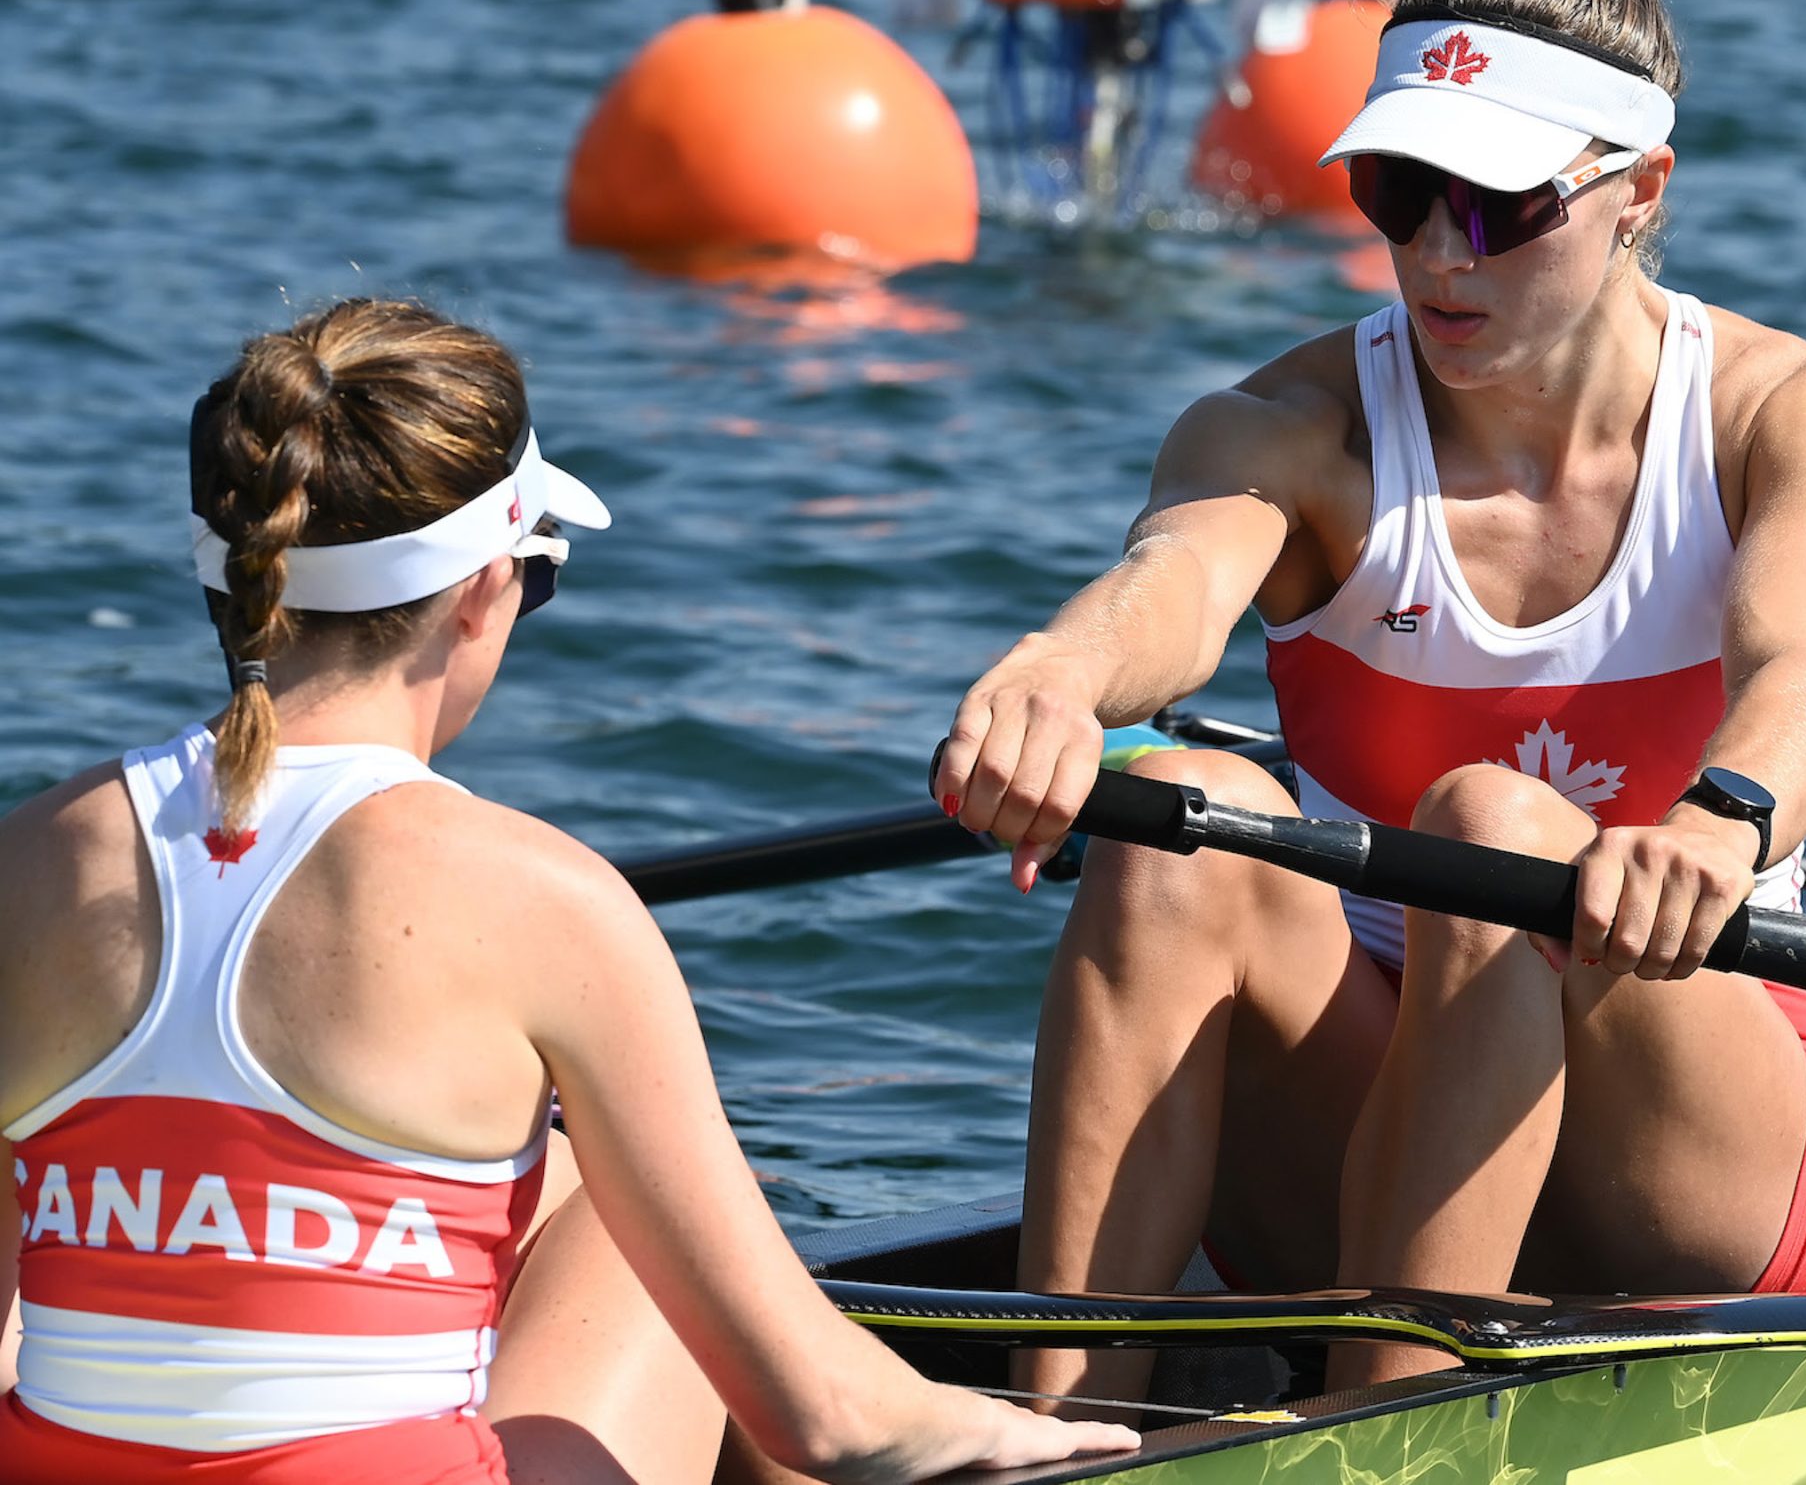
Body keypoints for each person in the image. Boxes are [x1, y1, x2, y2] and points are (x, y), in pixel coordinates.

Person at [934, 0, 1806, 1409]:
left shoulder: (1789, 411)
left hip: (1710, 1142)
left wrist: (1721, 820)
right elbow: (1174, 582)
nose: (1443, 252)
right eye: (1400, 192)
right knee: (1188, 812)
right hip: (1373, 1102)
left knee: (1500, 823)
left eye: (1502, 205)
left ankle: (1375, 1431)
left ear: (1637, 190)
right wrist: (1056, 674)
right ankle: (1065, 1421)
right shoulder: (1291, 425)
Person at [0, 300, 1134, 1482]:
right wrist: (1019, 1430)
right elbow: (833, 1420)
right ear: (485, 589)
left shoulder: (26, 860)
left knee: (553, 1168)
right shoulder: (541, 899)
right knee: (627, 1221)